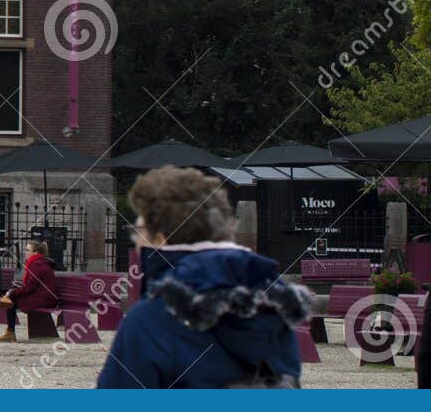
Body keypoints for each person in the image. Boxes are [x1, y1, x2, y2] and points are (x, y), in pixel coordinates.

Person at [98, 166, 314, 388]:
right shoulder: (275, 304)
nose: (136, 239)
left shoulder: (151, 316)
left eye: (139, 229)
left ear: (160, 239)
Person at [0, 240, 57, 342]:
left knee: (12, 299)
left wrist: (12, 292)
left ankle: (10, 332)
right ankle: (10, 332)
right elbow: (31, 286)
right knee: (12, 296)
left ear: (36, 253)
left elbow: (30, 288)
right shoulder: (37, 262)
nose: (25, 253)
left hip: (45, 299)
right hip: (43, 296)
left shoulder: (37, 265)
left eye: (28, 250)